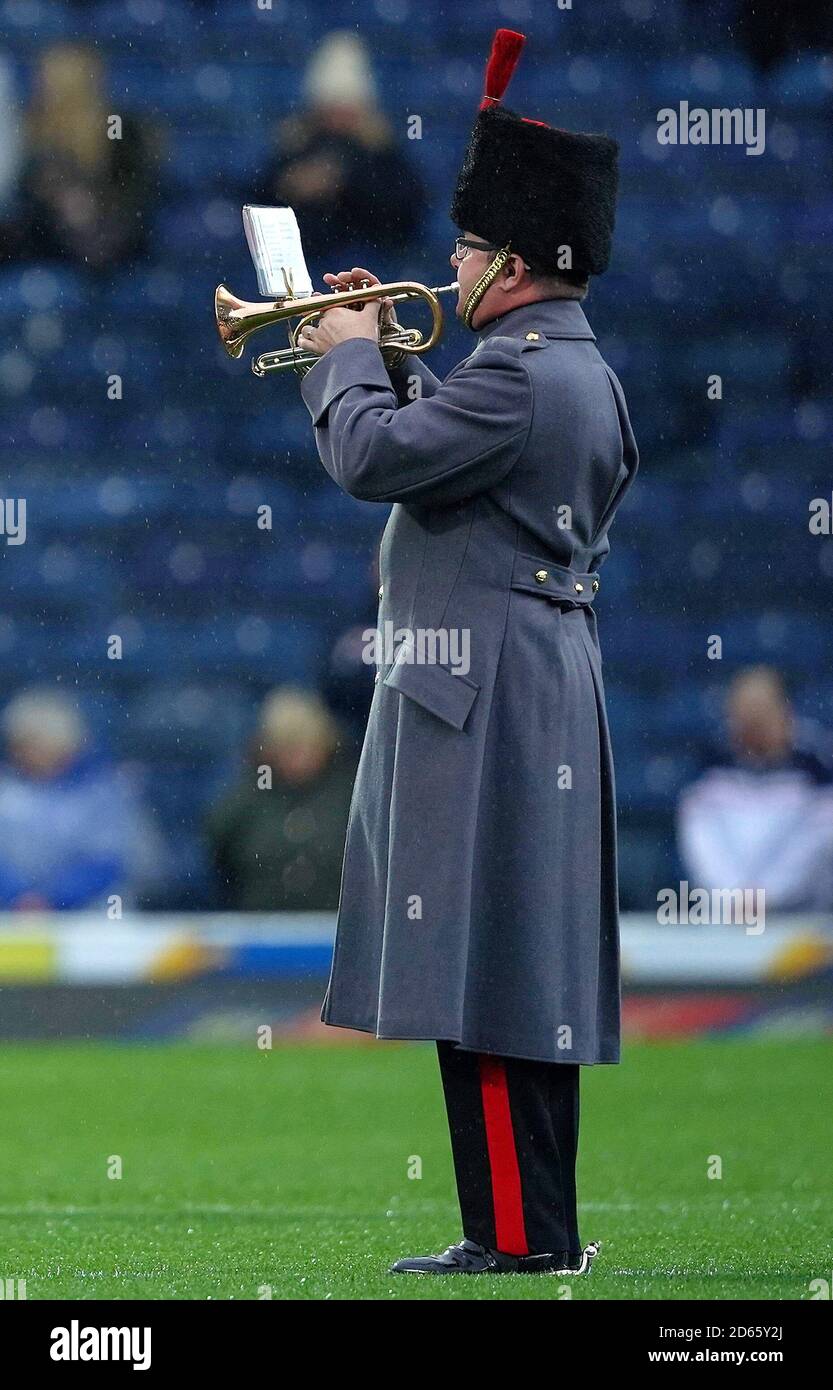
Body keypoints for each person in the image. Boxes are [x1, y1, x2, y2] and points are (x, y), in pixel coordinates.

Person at [293, 29, 638, 1275]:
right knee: (516, 973)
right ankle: (531, 1230)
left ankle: (514, 1238)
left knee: (480, 971)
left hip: (480, 691)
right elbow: (452, 445)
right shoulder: (555, 369)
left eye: (469, 246)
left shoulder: (519, 375)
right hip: (525, 680)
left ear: (515, 263)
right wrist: (389, 352)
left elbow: (372, 458)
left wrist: (342, 356)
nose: (451, 263)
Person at [252, 31, 425, 261]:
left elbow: (406, 211)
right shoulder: (296, 145)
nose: (338, 117)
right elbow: (260, 203)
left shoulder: (381, 149)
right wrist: (290, 186)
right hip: (312, 259)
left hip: (372, 260)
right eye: (332, 107)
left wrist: (342, 182)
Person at [677, 667, 833, 912]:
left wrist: (767, 894)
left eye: (761, 716)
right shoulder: (711, 763)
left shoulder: (816, 764)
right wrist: (733, 893)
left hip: (801, 915)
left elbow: (817, 840)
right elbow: (702, 839)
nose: (752, 726)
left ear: (784, 713)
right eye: (745, 718)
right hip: (727, 912)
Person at [0, 688, 166, 910]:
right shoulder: (6, 787)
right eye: (22, 744)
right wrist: (18, 896)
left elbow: (109, 861)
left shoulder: (105, 791)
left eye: (36, 744)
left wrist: (54, 900)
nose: (28, 753)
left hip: (91, 913)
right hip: (11, 912)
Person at [0, 42, 159, 272]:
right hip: (43, 236)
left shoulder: (113, 122)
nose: (44, 86)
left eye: (54, 78)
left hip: (108, 233)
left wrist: (91, 200)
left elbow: (127, 180)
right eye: (43, 78)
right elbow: (23, 186)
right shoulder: (31, 126)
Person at [206, 687, 355, 912]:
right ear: (271, 749)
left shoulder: (349, 793)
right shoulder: (251, 794)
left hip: (332, 920)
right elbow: (219, 850)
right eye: (288, 746)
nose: (299, 757)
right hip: (260, 922)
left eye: (307, 744)